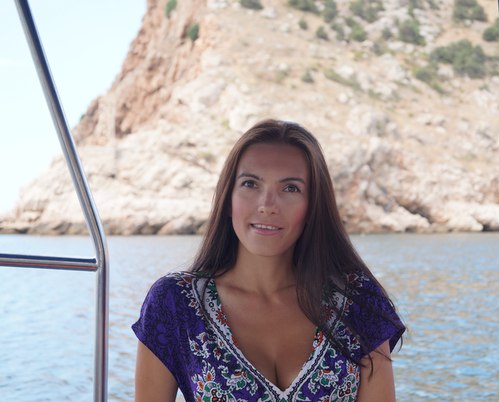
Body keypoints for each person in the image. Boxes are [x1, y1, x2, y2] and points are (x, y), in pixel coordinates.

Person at [133, 119, 405, 402]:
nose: (267, 205)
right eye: (250, 184)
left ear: (313, 206)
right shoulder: (174, 303)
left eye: (290, 188)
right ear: (228, 199)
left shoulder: (359, 302)